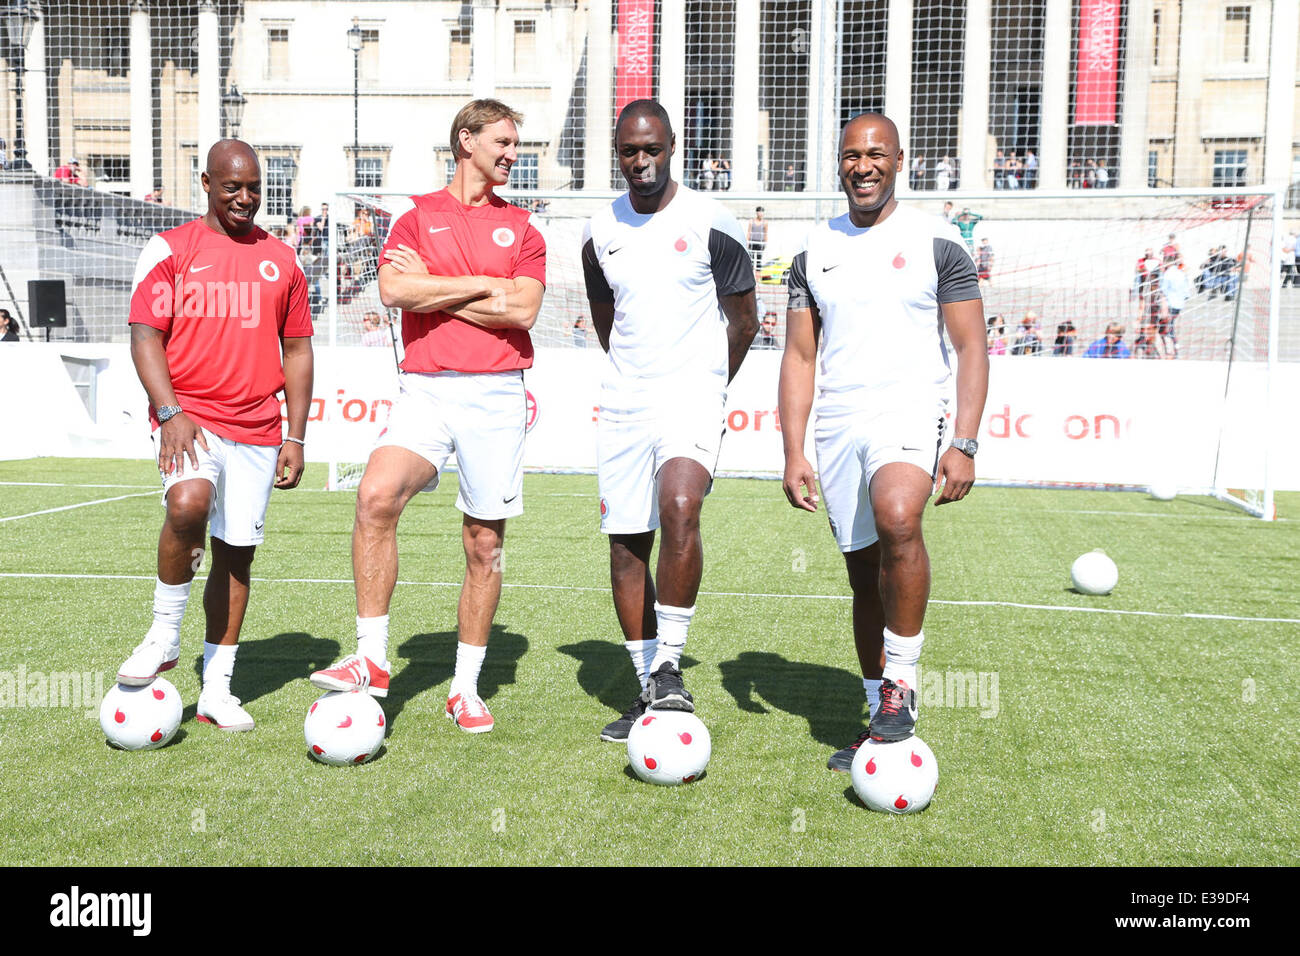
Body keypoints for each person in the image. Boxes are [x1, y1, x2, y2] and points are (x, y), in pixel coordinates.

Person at [309, 99, 545, 735]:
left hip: (498, 394)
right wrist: (480, 287)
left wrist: (439, 285)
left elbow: (521, 314)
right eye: (502, 141)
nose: (512, 154)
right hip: (426, 391)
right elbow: (393, 291)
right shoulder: (414, 217)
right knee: (375, 496)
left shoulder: (524, 228)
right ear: (465, 141)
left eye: (515, 144)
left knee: (484, 544)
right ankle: (373, 659)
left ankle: (465, 689)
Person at [778, 112, 988, 771]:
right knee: (863, 575)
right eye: (850, 155)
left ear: (901, 160)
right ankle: (880, 717)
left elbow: (971, 345)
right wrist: (792, 449)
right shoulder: (812, 251)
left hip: (909, 409)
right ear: (838, 162)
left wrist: (965, 441)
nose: (862, 165)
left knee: (901, 519)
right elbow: (799, 358)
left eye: (876, 154)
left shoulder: (936, 241)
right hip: (838, 422)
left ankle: (902, 690)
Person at [115, 139, 314, 732]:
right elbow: (145, 334)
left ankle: (217, 691)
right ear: (206, 183)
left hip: (258, 426)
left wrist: (296, 436)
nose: (246, 198)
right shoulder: (170, 248)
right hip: (191, 417)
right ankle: (163, 634)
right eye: (233, 187)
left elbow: (298, 350)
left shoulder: (283, 259)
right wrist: (169, 410)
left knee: (234, 553)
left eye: (254, 187)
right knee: (188, 504)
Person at [581, 99, 758, 741]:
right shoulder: (598, 230)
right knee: (628, 543)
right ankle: (644, 685)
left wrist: (708, 384)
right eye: (629, 150)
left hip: (692, 397)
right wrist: (638, 375)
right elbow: (608, 321)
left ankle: (671, 667)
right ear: (617, 154)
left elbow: (745, 320)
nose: (641, 161)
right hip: (624, 402)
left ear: (673, 146)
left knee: (681, 505)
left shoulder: (712, 221)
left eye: (651, 148)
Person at [1158, 256, 1190, 357]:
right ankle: (1173, 346)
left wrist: (1163, 307)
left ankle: (1173, 347)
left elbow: (1163, 291)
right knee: (1169, 325)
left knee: (1166, 327)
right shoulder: (1181, 273)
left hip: (1170, 304)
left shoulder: (1167, 274)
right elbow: (1187, 293)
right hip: (1179, 305)